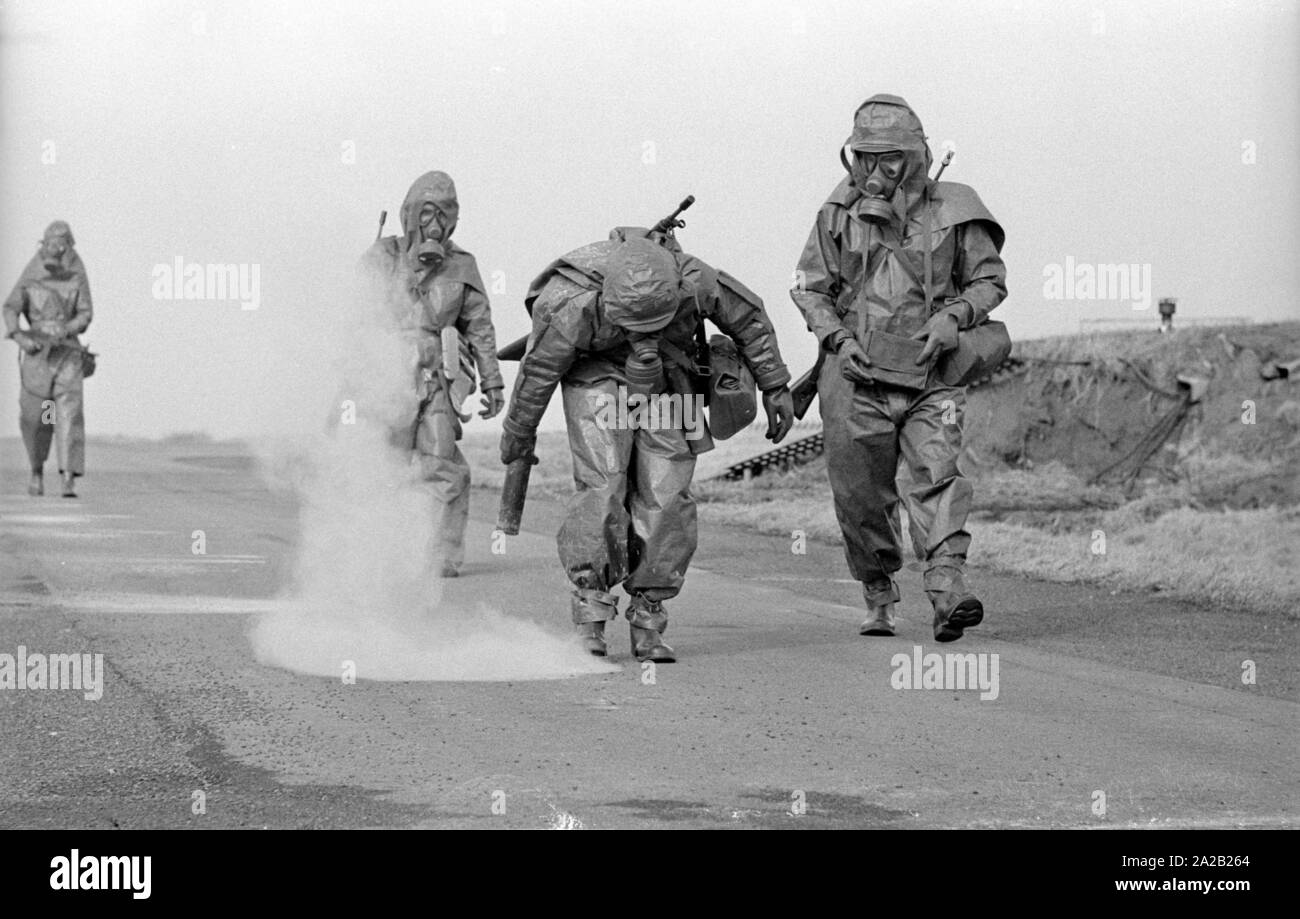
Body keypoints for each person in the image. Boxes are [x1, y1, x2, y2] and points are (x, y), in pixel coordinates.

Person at [500, 229, 794, 662]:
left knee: (667, 494)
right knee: (602, 487)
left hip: (670, 377)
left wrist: (775, 384)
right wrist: (517, 436)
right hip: (596, 377)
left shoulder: (695, 281)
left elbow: (747, 317)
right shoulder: (569, 304)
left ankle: (649, 615)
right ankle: (591, 616)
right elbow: (538, 372)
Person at [790, 94, 1007, 642]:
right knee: (860, 495)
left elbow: (990, 280)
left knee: (937, 477)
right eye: (864, 157)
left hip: (932, 374)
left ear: (915, 156)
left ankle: (946, 590)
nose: (875, 171)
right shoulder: (836, 213)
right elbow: (810, 288)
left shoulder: (955, 209)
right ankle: (879, 590)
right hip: (855, 375)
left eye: (888, 158)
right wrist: (837, 338)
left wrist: (956, 315)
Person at [360, 171, 504, 576]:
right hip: (386, 377)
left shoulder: (462, 266)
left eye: (443, 215)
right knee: (382, 465)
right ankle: (376, 550)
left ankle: (439, 554)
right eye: (426, 215)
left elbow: (480, 328)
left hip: (437, 377)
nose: (434, 226)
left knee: (442, 464)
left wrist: (492, 380)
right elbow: (353, 320)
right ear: (409, 216)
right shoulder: (382, 258)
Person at [4, 221, 93, 498]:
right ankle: (36, 470)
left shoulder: (77, 273)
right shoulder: (31, 274)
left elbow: (86, 313)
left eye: (63, 242)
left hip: (66, 355)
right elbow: (11, 307)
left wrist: (68, 328)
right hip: (38, 357)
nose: (57, 248)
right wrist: (20, 337)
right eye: (52, 242)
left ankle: (68, 476)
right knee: (41, 416)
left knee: (68, 415)